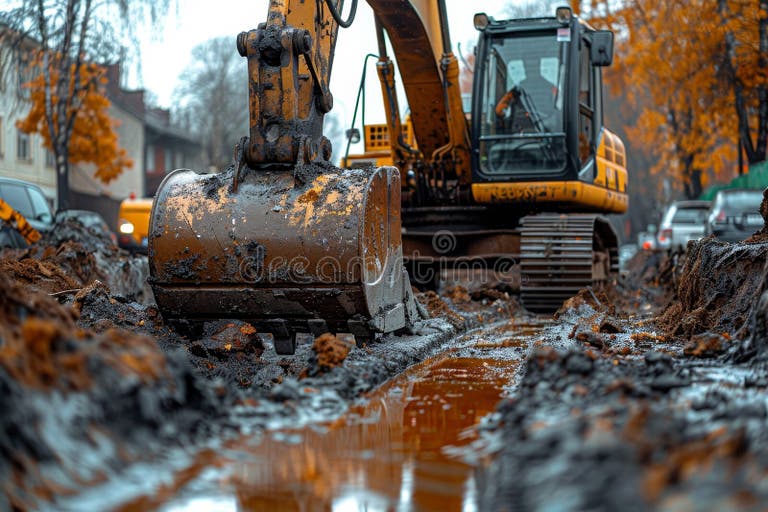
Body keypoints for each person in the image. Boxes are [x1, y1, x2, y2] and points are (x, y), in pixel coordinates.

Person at [495, 58, 558, 132]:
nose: (530, 69)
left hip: (547, 130)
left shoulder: (551, 88)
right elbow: (499, 110)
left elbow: (560, 110)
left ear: (538, 66)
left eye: (532, 66)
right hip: (520, 131)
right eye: (528, 66)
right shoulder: (516, 90)